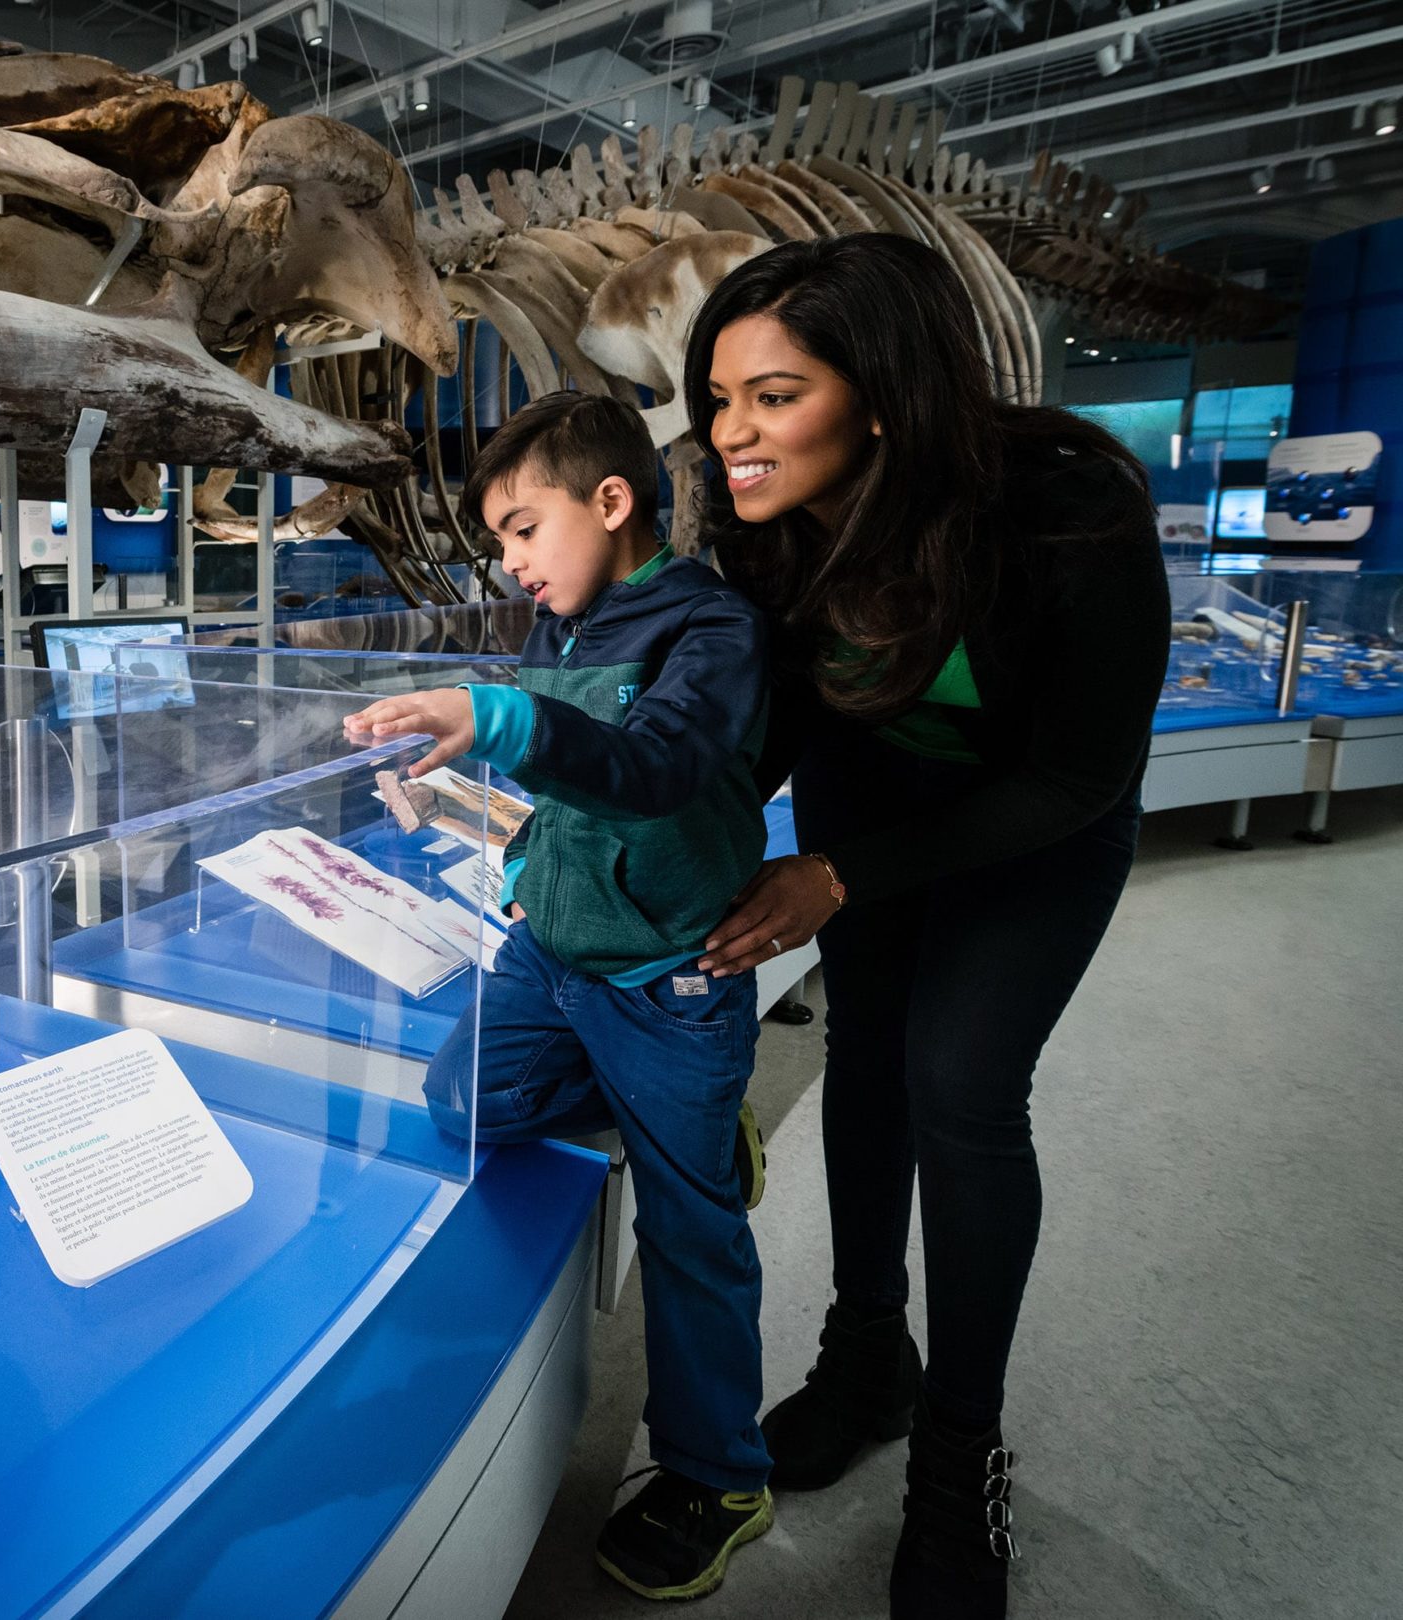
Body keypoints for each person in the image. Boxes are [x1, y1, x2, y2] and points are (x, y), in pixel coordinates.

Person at [683, 235, 1168, 1619]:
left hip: (1045, 818)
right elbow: (768, 727)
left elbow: (1077, 775)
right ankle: (864, 1358)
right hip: (873, 790)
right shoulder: (767, 523)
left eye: (772, 397)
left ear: (882, 393)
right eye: (719, 400)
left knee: (962, 1083)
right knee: (872, 1059)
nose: (731, 436)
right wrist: (657, 830)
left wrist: (835, 878)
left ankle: (962, 1457)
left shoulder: (1071, 509)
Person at [346, 392, 776, 1603]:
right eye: (498, 542)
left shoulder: (714, 628)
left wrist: (489, 715)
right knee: (463, 1099)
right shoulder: (563, 626)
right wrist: (489, 815)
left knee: (690, 1234)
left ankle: (719, 1475)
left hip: (665, 979)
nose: (510, 561)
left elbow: (652, 769)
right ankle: (676, 1110)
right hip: (553, 952)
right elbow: (565, 781)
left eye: (522, 528)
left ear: (611, 500)